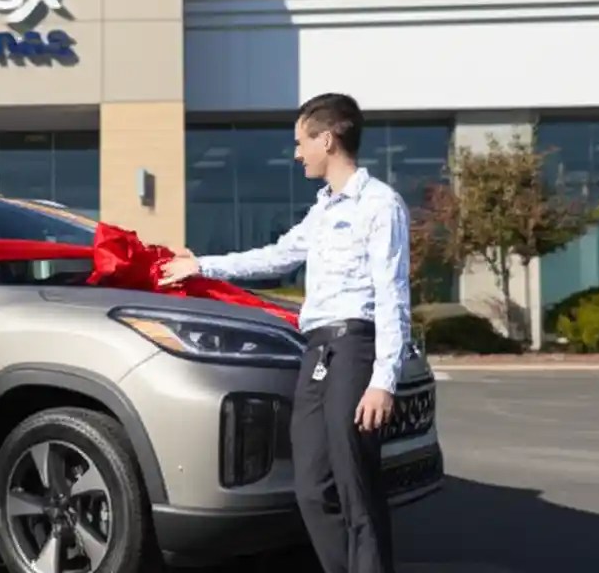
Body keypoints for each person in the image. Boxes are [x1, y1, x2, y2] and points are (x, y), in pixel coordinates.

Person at [159, 93, 410, 573]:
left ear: (327, 139)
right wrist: (201, 266)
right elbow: (276, 256)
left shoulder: (379, 204)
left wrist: (384, 380)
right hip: (318, 352)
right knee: (312, 488)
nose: (297, 154)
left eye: (301, 142)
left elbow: (393, 294)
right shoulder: (323, 210)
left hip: (355, 349)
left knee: (357, 487)